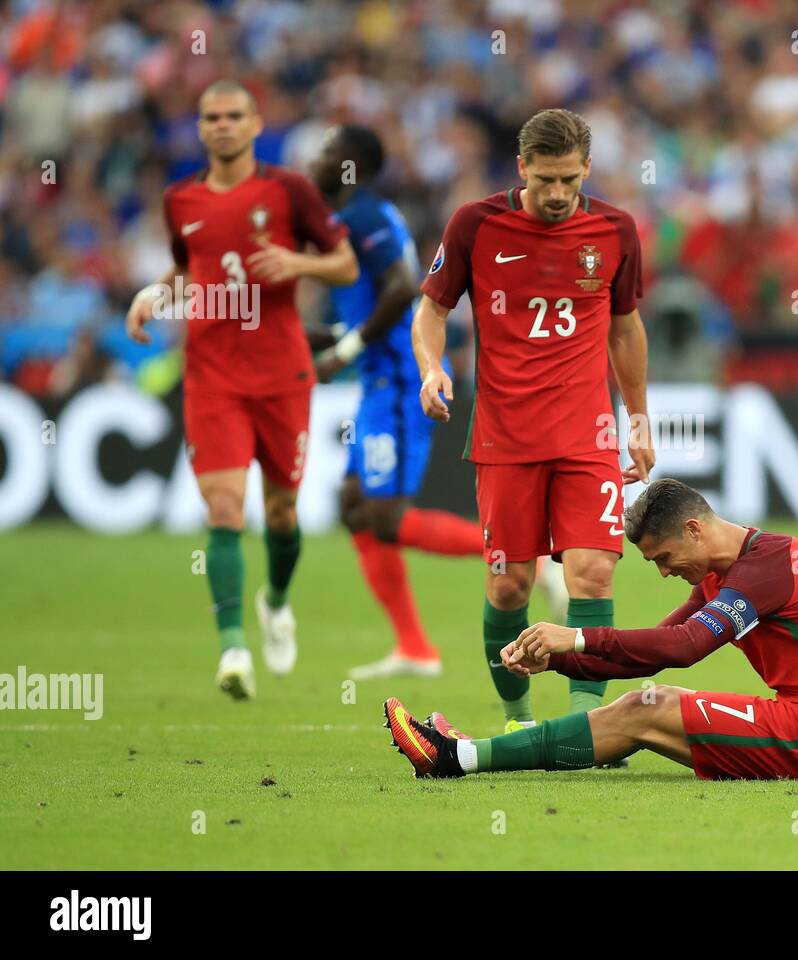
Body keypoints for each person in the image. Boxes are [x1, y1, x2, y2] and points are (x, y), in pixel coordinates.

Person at [411, 108, 653, 733]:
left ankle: (584, 724)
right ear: (521, 167)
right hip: (505, 434)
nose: (556, 193)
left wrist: (640, 416)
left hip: (586, 432)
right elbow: (432, 310)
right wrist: (431, 368)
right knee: (510, 588)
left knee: (592, 575)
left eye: (569, 180)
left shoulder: (616, 230)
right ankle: (518, 718)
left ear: (587, 170)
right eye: (544, 178)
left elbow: (625, 328)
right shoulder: (475, 224)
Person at [381, 478, 798, 781]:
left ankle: (454, 757)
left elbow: (686, 646)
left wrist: (574, 636)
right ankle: (463, 756)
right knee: (644, 705)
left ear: (695, 530)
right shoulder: (731, 568)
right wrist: (557, 659)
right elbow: (655, 651)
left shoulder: (770, 567)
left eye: (664, 558)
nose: (663, 572)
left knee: (646, 705)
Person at [126, 80, 359, 699]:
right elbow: (187, 271)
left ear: (256, 123)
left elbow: (345, 263)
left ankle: (275, 602)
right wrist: (153, 295)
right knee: (225, 509)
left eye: (234, 115)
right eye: (211, 117)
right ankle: (232, 648)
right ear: (200, 128)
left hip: (283, 377)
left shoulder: (289, 191)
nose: (223, 125)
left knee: (281, 512)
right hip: (212, 377)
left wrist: (298, 264)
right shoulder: (180, 198)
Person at [307, 123, 486, 680]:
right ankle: (413, 646)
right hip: (377, 382)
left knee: (384, 514)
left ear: (349, 165)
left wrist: (347, 349)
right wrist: (331, 338)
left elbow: (402, 289)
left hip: (400, 379)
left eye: (328, 152)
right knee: (355, 504)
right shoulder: (361, 217)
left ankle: (514, 549)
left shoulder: (362, 215)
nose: (318, 159)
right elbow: (367, 308)